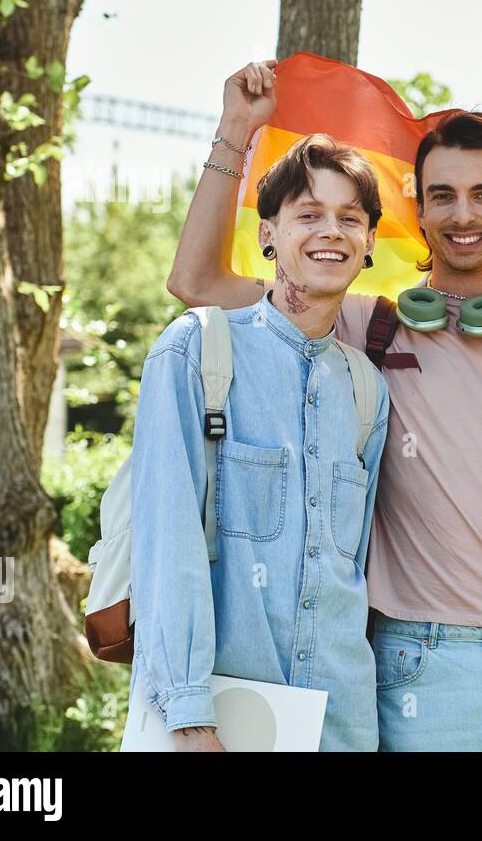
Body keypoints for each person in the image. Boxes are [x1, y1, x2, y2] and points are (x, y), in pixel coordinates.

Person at [167, 68, 482, 751]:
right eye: (443, 197)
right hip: (420, 668)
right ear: (420, 213)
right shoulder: (362, 325)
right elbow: (195, 282)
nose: (463, 215)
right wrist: (236, 129)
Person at [131, 133, 389, 751]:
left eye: (349, 218)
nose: (331, 231)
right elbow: (168, 539)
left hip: (339, 724)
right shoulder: (198, 350)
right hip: (219, 717)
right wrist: (191, 717)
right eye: (309, 214)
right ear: (267, 233)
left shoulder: (366, 388)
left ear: (370, 242)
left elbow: (351, 571)